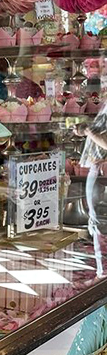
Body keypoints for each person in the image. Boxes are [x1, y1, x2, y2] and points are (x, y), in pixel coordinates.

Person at [77, 106, 107, 276]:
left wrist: (88, 130)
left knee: (98, 223)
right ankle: (102, 272)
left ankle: (102, 274)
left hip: (102, 171)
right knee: (97, 222)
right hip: (98, 169)